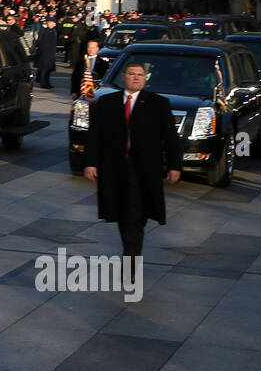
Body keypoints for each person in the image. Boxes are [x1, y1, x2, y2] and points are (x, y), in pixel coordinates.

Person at [82, 60, 182, 264]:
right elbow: (95, 135)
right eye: (132, 73)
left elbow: (170, 138)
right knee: (122, 212)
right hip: (115, 167)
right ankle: (131, 252)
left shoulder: (157, 103)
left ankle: (131, 258)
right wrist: (91, 162)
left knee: (135, 215)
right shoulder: (107, 103)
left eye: (140, 74)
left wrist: (174, 166)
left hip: (144, 169)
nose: (136, 77)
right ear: (124, 77)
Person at [34, 17, 58, 89]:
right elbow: (39, 41)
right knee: (44, 69)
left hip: (50, 53)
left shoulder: (53, 31)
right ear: (48, 23)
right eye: (53, 23)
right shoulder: (44, 30)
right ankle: (43, 83)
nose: (54, 24)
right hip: (44, 53)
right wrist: (43, 50)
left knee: (48, 69)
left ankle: (47, 82)